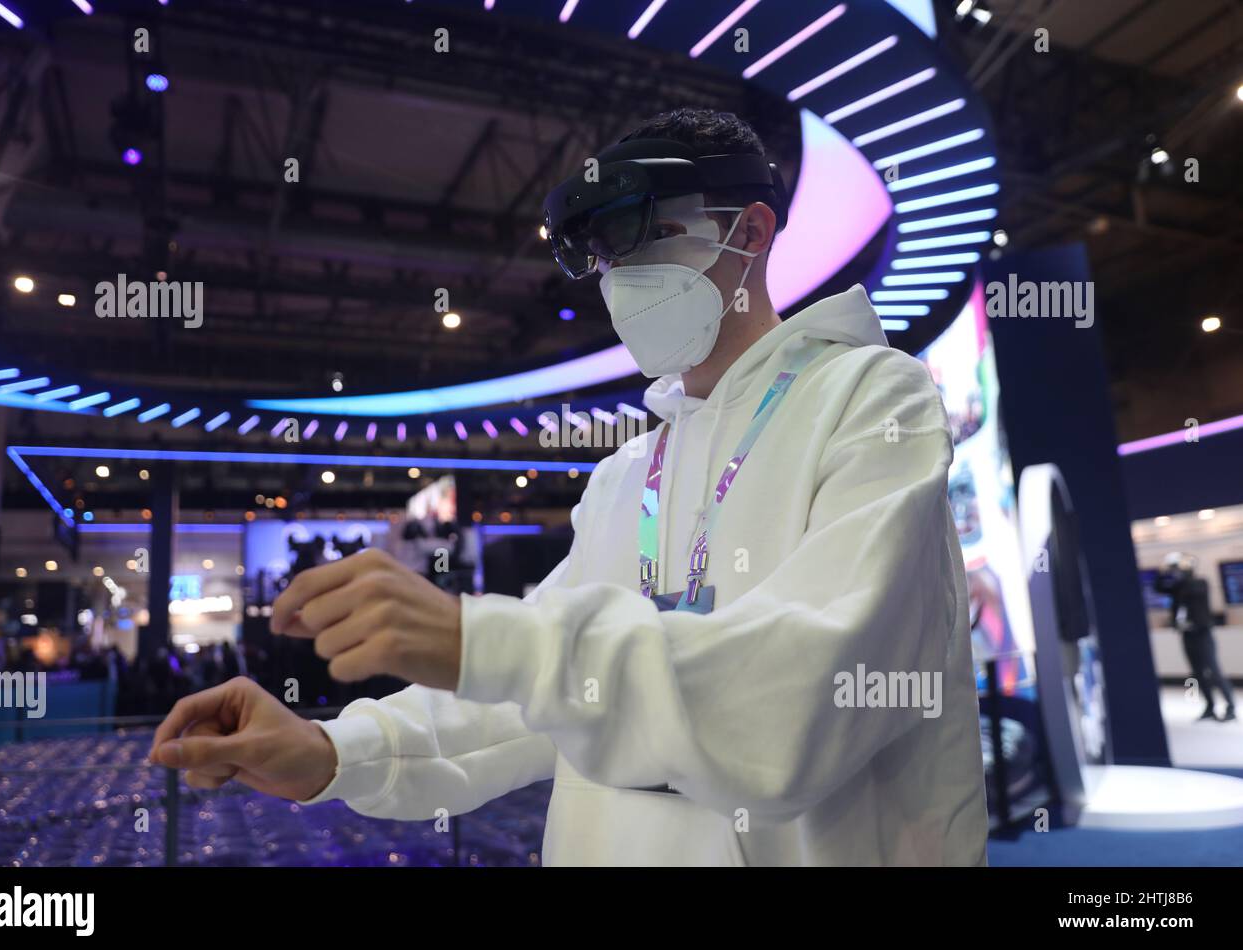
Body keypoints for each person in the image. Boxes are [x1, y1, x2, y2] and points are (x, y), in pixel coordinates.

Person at [151, 108, 988, 866]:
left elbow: (806, 703)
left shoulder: (873, 401)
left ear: (752, 230)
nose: (621, 276)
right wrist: (333, 751)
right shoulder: (627, 475)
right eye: (601, 255)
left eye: (645, 235)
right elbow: (529, 701)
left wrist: (488, 641)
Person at [1155, 552, 1236, 722]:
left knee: (1213, 670)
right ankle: (1209, 706)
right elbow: (1159, 587)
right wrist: (1165, 571)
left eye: (1179, 569)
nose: (1177, 572)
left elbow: (1191, 589)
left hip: (1202, 634)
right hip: (1187, 634)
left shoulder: (1199, 583)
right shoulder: (1178, 587)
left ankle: (1230, 707)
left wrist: (1183, 569)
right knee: (1196, 673)